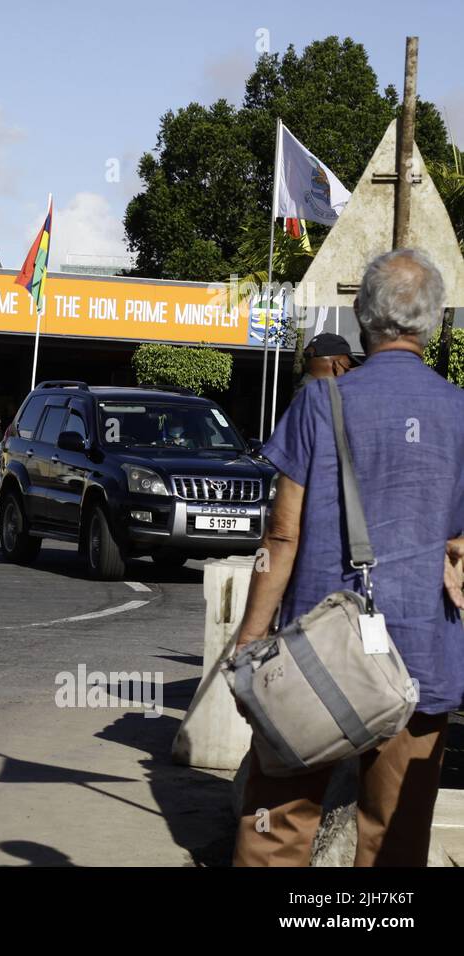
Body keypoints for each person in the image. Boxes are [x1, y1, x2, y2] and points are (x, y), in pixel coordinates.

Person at [232, 249, 464, 867]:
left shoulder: (318, 402)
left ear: (363, 315)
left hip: (317, 657)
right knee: (395, 837)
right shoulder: (459, 412)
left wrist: (248, 644)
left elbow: (281, 537)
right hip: (421, 659)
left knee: (277, 825)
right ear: (433, 322)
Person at [293, 332, 359, 396]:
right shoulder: (323, 399)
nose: (349, 372)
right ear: (336, 366)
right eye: (348, 366)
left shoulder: (304, 393)